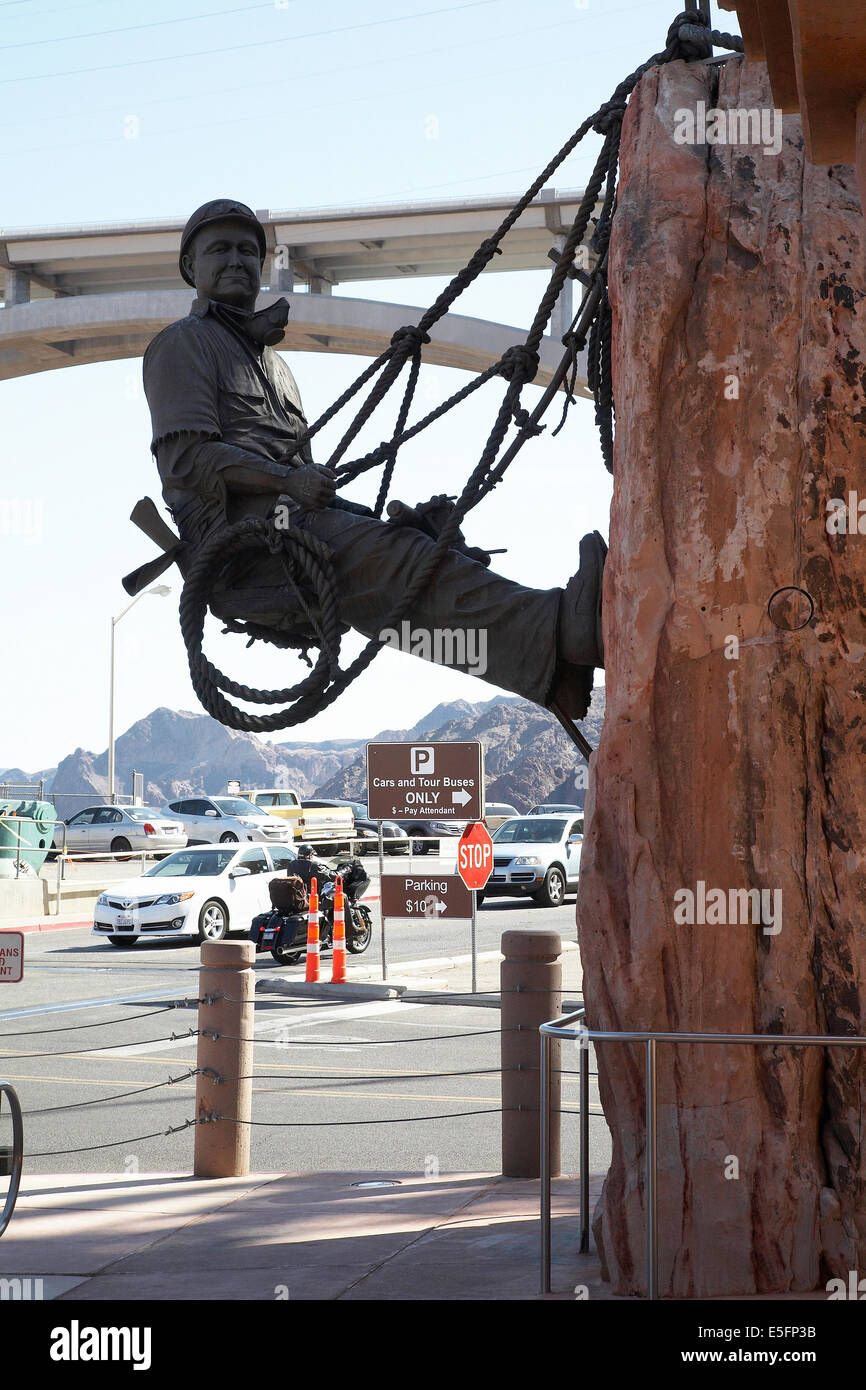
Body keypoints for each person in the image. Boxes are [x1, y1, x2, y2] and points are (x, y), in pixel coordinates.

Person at [137, 199, 606, 719]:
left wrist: (318, 496)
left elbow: (303, 482)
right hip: (238, 544)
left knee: (418, 546)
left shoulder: (279, 369)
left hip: (291, 523)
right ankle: (564, 628)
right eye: (218, 249)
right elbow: (187, 460)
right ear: (191, 268)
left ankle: (550, 668)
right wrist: (287, 484)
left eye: (248, 250)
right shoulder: (181, 345)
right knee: (391, 556)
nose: (236, 260)